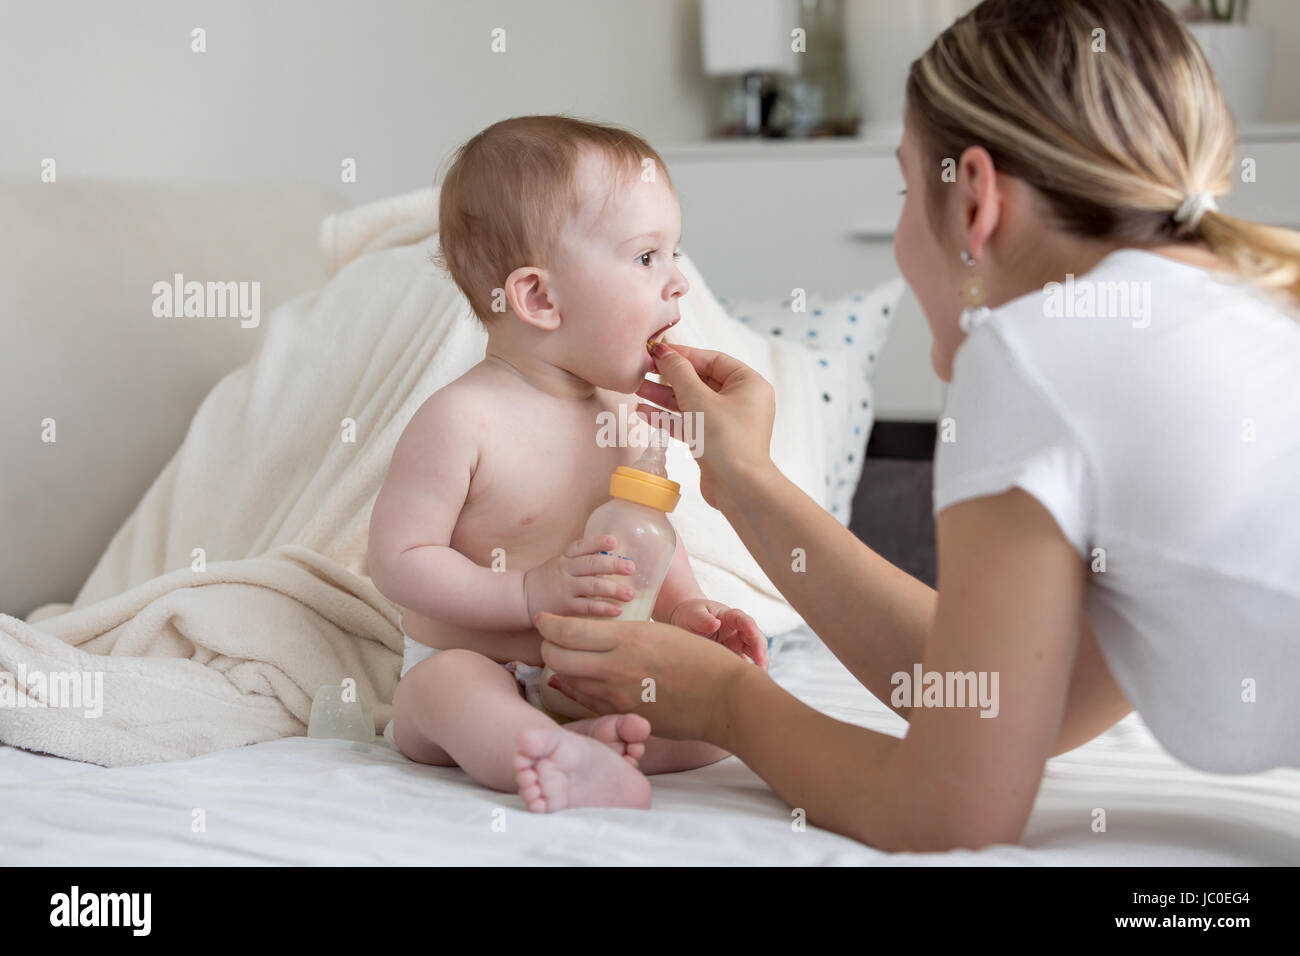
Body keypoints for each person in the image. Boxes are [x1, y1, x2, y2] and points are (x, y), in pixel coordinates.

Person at [530, 0, 1300, 851]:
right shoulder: (1231, 316)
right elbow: (999, 697)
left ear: (974, 197)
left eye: (906, 189)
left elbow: (946, 811)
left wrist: (722, 701)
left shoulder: (1038, 348)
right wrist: (744, 478)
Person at [369, 115, 768, 814]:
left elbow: (649, 543)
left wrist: (690, 612)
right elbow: (400, 560)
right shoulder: (462, 418)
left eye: (674, 255)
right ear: (540, 299)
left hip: (598, 672)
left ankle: (589, 743)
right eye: (647, 258)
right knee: (438, 696)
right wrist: (525, 595)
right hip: (482, 666)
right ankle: (538, 745)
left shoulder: (625, 409)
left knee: (725, 719)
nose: (678, 284)